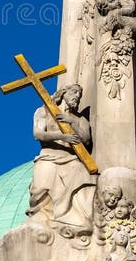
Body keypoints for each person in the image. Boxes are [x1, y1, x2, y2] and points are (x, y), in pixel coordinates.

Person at [28, 84, 96, 235]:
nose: (77, 96)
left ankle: (76, 220)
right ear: (63, 93)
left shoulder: (79, 119)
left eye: (79, 94)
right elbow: (38, 134)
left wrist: (72, 123)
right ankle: (42, 219)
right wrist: (62, 136)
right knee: (40, 188)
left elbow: (86, 139)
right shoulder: (43, 111)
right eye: (74, 92)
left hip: (70, 158)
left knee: (83, 175)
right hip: (48, 156)